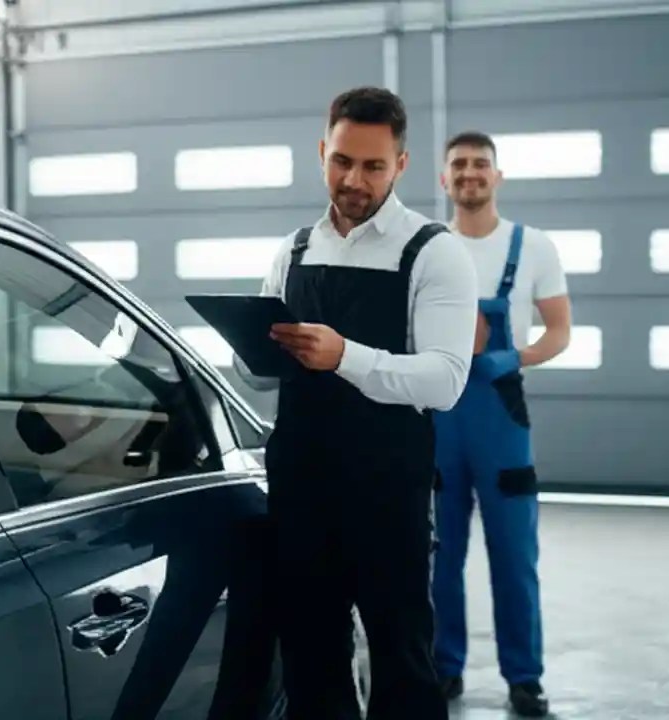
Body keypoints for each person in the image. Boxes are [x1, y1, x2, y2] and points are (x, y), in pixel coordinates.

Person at [235, 86, 478, 719]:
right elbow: (258, 377)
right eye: (342, 161)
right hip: (301, 483)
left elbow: (445, 380)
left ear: (401, 165)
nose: (354, 179)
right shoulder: (292, 251)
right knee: (310, 655)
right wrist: (250, 348)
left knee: (402, 656)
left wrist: (345, 355)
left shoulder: (433, 252)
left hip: (387, 490)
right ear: (322, 153)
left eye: (373, 166)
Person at [431, 130, 573, 718]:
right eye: (459, 165)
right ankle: (443, 668)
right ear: (444, 178)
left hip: (502, 419)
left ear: (497, 176)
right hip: (438, 416)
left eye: (480, 164)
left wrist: (515, 356)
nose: (469, 173)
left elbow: (560, 332)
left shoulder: (532, 246)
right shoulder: (431, 246)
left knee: (515, 556)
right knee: (441, 556)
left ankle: (524, 677)